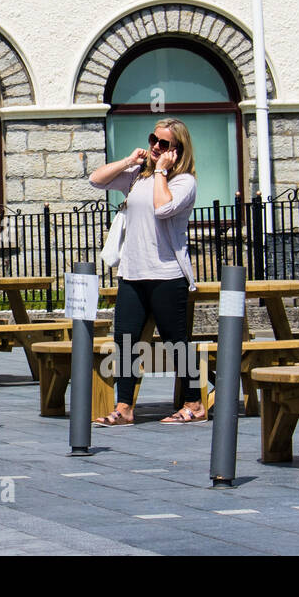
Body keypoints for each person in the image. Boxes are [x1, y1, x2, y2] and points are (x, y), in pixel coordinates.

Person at [88, 118, 201, 425]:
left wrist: (162, 170)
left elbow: (163, 208)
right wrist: (129, 160)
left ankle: (194, 403)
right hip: (132, 272)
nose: (155, 146)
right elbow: (96, 180)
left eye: (163, 143)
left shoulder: (183, 182)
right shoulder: (138, 175)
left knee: (176, 341)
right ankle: (123, 407)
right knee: (125, 340)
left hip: (166, 274)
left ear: (177, 150)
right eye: (154, 139)